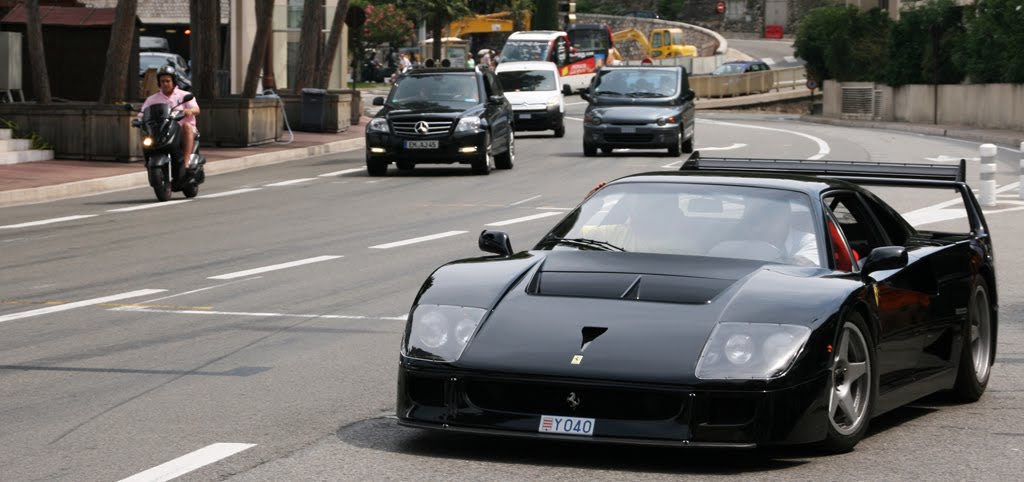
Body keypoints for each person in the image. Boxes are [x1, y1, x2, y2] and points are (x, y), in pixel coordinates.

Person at [139, 64, 200, 168]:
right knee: (145, 134)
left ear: (173, 82)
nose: (165, 84)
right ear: (159, 83)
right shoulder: (152, 99)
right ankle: (148, 159)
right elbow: (142, 114)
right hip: (162, 131)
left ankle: (186, 163)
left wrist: (189, 111)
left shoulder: (184, 95)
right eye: (162, 81)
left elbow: (197, 109)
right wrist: (139, 119)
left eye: (168, 81)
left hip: (181, 130)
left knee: (187, 127)